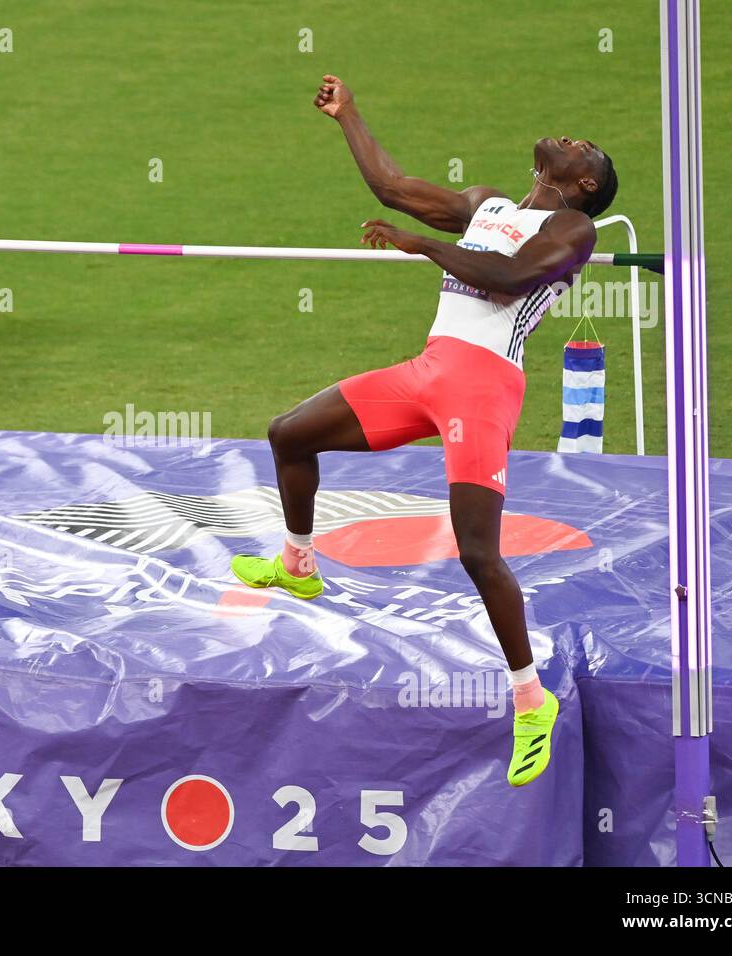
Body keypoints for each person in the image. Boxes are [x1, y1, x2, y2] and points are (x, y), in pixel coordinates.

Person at [231, 75, 618, 787]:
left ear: (584, 182)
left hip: (483, 384)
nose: (565, 137)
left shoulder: (573, 231)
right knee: (289, 433)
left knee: (477, 550)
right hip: (430, 368)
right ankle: (298, 564)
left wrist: (420, 245)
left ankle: (532, 701)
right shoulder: (487, 204)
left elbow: (505, 281)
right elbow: (391, 186)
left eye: (579, 146)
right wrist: (348, 117)